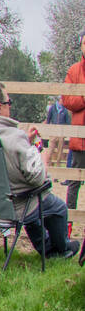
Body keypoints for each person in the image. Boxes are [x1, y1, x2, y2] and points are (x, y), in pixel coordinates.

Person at [0, 81, 80, 259]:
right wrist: (44, 154)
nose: (10, 106)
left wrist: (25, 143)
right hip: (17, 205)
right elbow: (37, 178)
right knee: (57, 207)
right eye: (9, 102)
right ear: (0, 107)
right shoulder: (13, 136)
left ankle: (48, 250)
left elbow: (2, 158)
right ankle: (62, 249)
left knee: (34, 206)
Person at [60, 28, 85, 237]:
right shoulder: (74, 70)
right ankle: (68, 227)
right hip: (80, 138)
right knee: (74, 182)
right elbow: (66, 100)